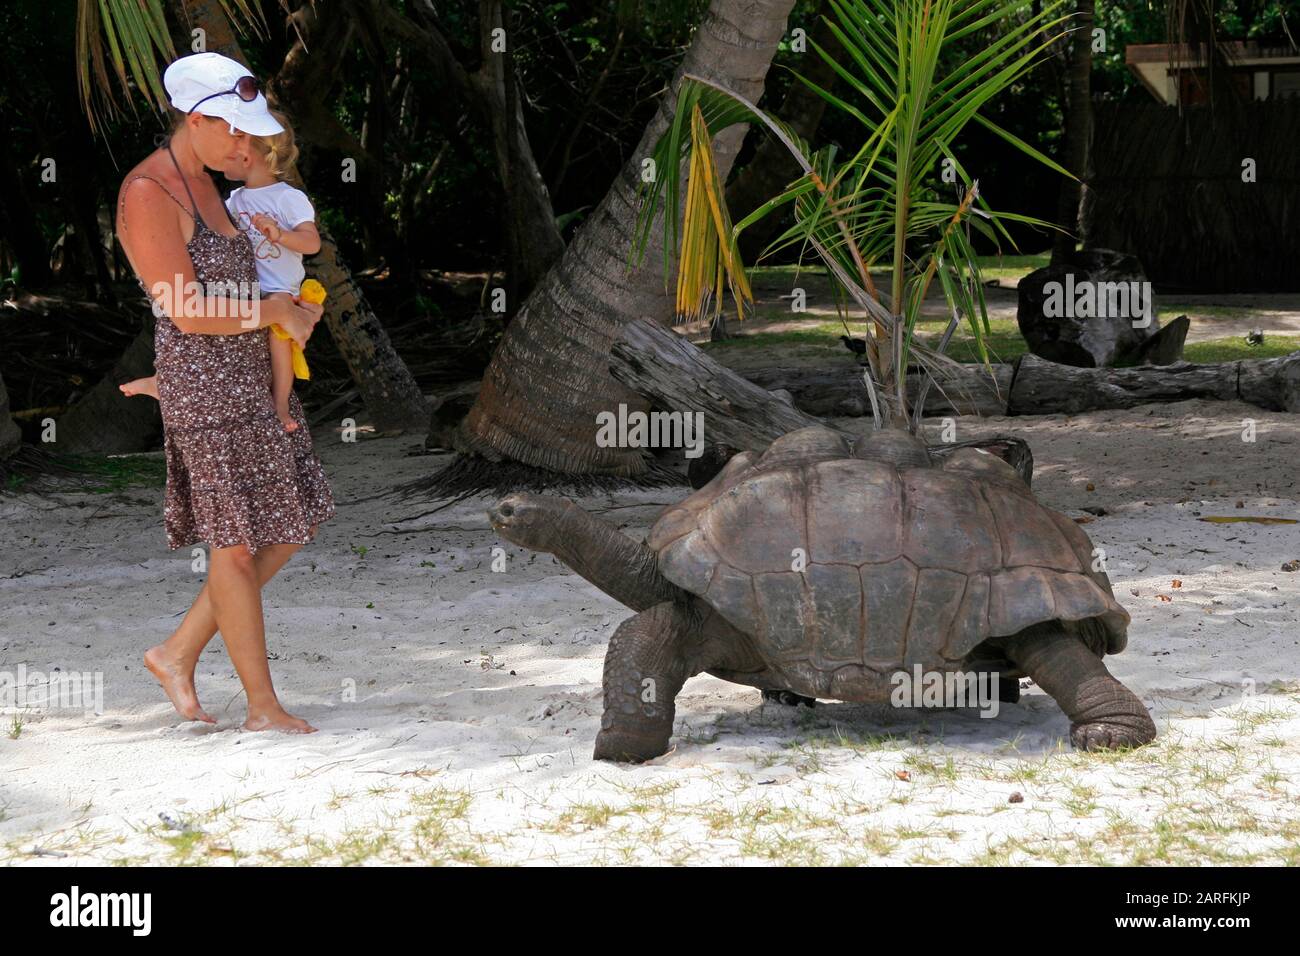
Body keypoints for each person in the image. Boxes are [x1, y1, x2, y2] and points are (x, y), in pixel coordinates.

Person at [115, 52, 335, 733]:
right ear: (196, 118)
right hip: (206, 388)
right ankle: (262, 708)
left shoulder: (215, 185)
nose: (248, 144)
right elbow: (182, 310)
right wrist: (272, 314)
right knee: (235, 546)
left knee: (295, 522)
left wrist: (295, 307)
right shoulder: (149, 193)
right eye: (235, 131)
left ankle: (176, 652)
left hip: (252, 376)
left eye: (251, 131)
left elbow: (263, 274)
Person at [122, 109, 320, 434]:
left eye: (237, 139)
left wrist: (281, 235)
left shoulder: (288, 197)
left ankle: (281, 405)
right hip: (249, 286)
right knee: (187, 314)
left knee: (278, 340)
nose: (227, 151)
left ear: (247, 156)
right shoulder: (233, 199)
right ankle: (167, 380)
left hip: (280, 287)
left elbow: (312, 242)